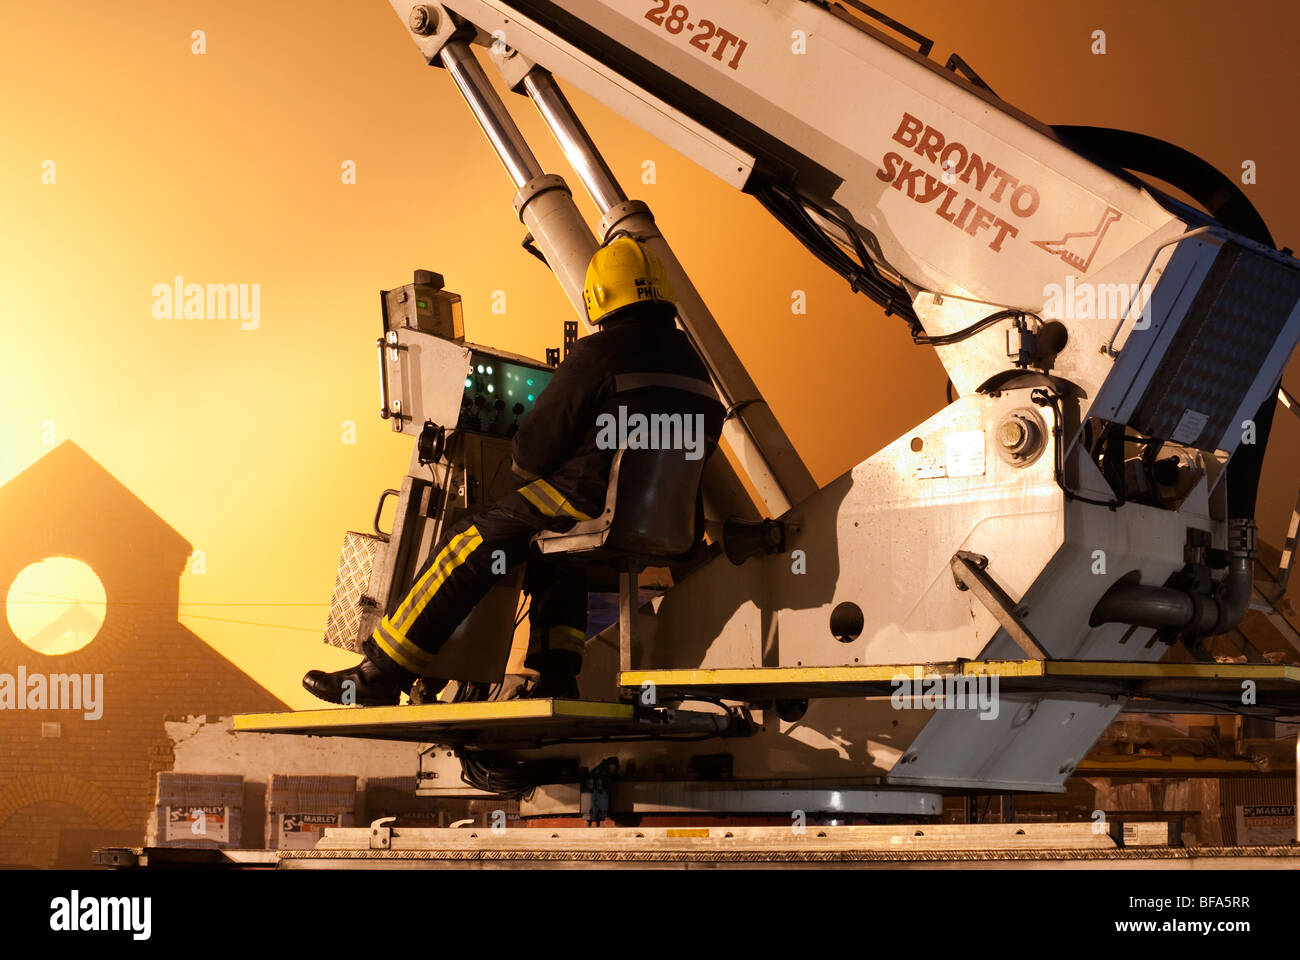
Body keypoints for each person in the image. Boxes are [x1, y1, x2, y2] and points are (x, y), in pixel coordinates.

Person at [303, 235, 723, 705]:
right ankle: (559, 677)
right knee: (556, 551)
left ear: (598, 298)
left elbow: (532, 454)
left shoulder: (597, 355)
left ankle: (379, 673)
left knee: (469, 539)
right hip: (669, 527)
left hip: (589, 501)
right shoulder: (697, 367)